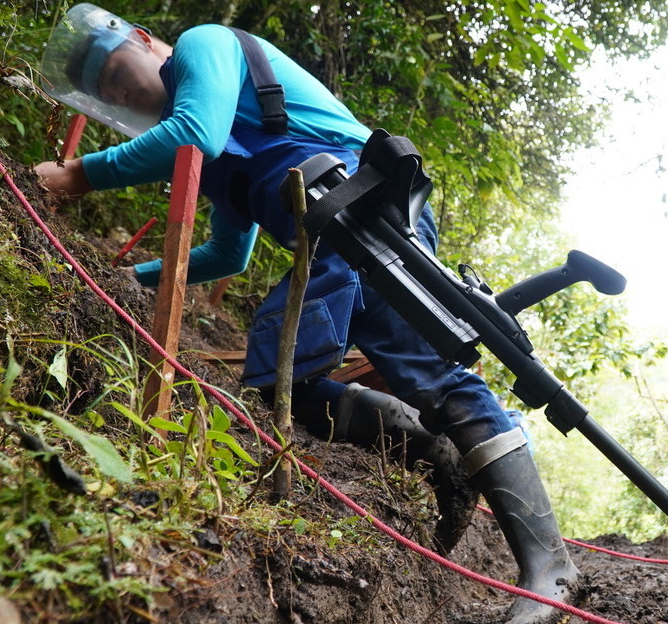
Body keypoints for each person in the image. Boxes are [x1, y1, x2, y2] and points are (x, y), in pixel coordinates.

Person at [33, 5, 578, 623]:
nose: (121, 90)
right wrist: (132, 276)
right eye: (107, 91)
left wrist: (80, 173)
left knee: (433, 375)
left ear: (139, 40)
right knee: (276, 382)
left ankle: (550, 568)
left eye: (117, 71)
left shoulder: (202, 46)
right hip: (328, 240)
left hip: (369, 213)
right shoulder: (209, 154)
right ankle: (438, 452)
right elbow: (226, 253)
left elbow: (196, 134)